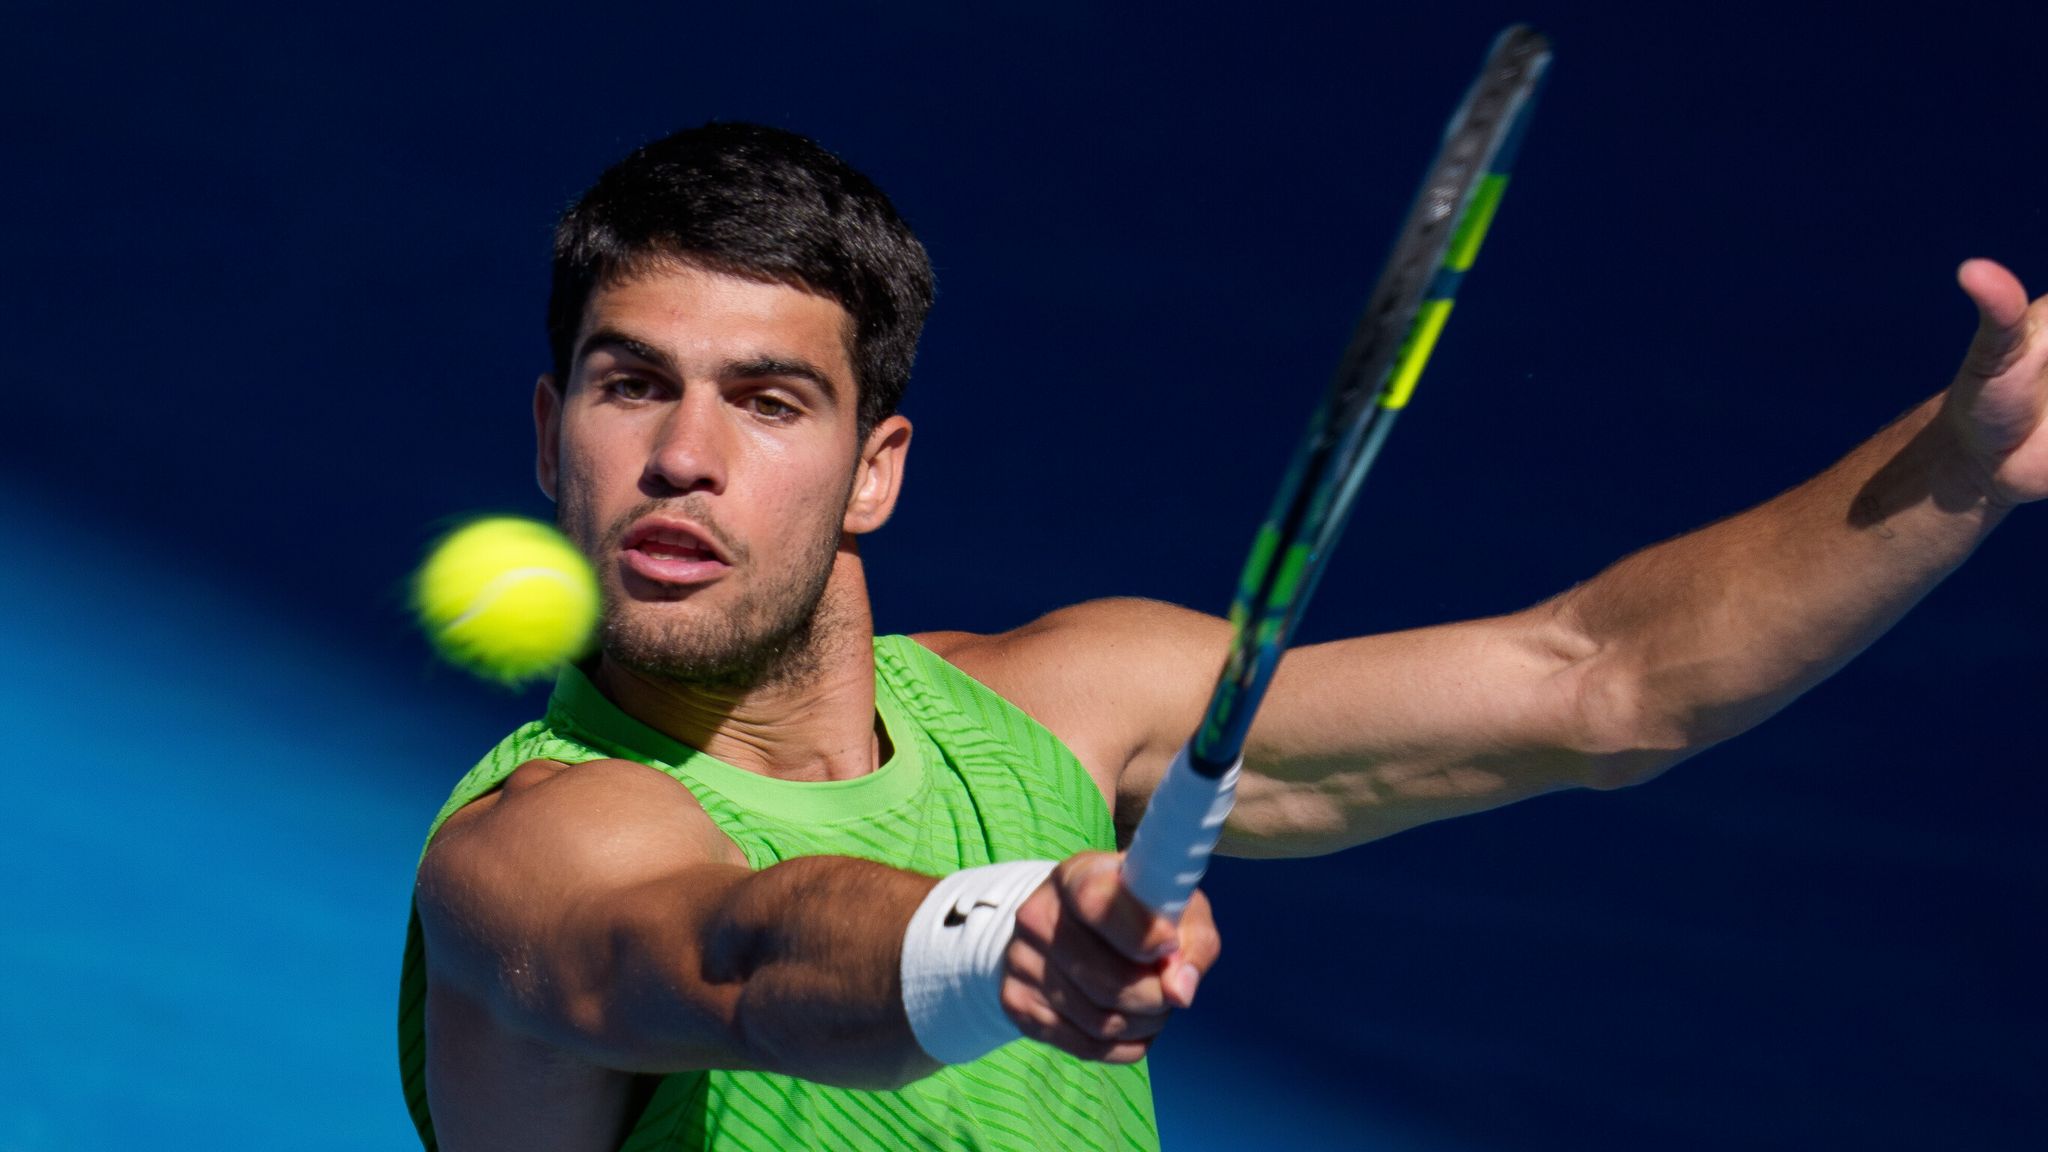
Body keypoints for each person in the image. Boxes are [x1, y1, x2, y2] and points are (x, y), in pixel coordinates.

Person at [398, 121, 2046, 1151]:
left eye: (769, 401)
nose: (684, 455)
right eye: (632, 386)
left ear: (875, 468)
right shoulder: (530, 848)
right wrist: (1000, 939)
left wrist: (1964, 469)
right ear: (553, 432)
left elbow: (1597, 684)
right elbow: (730, 958)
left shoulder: (1070, 704)